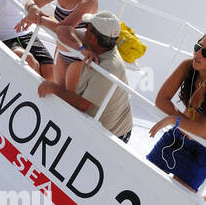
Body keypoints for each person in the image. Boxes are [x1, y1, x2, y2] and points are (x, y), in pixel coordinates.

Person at [146, 29, 206, 200]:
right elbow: (161, 99)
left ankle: (205, 198)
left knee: (175, 199)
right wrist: (181, 122)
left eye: (205, 52)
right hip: (179, 135)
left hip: (203, 150)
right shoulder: (188, 66)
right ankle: (199, 197)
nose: (197, 54)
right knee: (147, 180)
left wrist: (175, 119)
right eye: (197, 47)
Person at [36, 12, 133, 141]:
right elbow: (62, 29)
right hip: (94, 126)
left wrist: (53, 88)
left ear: (93, 38)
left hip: (112, 136)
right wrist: (80, 48)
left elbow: (83, 105)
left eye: (87, 27)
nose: (84, 29)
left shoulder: (110, 68)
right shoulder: (95, 43)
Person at [15, 0, 98, 86]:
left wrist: (37, 19)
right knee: (56, 91)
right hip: (61, 49)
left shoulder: (89, 0)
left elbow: (63, 28)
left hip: (78, 56)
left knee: (63, 97)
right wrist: (33, 10)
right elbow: (31, 1)